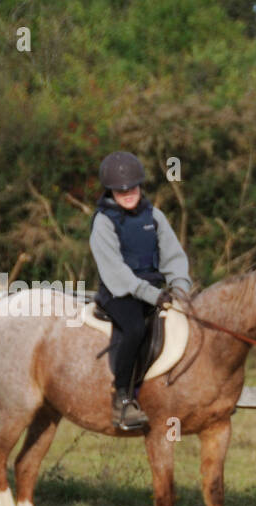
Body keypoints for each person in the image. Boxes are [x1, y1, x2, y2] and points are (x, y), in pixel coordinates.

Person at [89, 151, 192, 431]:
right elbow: (117, 274)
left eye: (132, 188)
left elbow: (173, 256)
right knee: (135, 328)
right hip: (119, 294)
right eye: (121, 191)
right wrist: (153, 295)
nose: (128, 194)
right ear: (111, 191)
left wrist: (181, 288)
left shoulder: (154, 216)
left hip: (155, 290)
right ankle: (122, 398)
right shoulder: (104, 222)